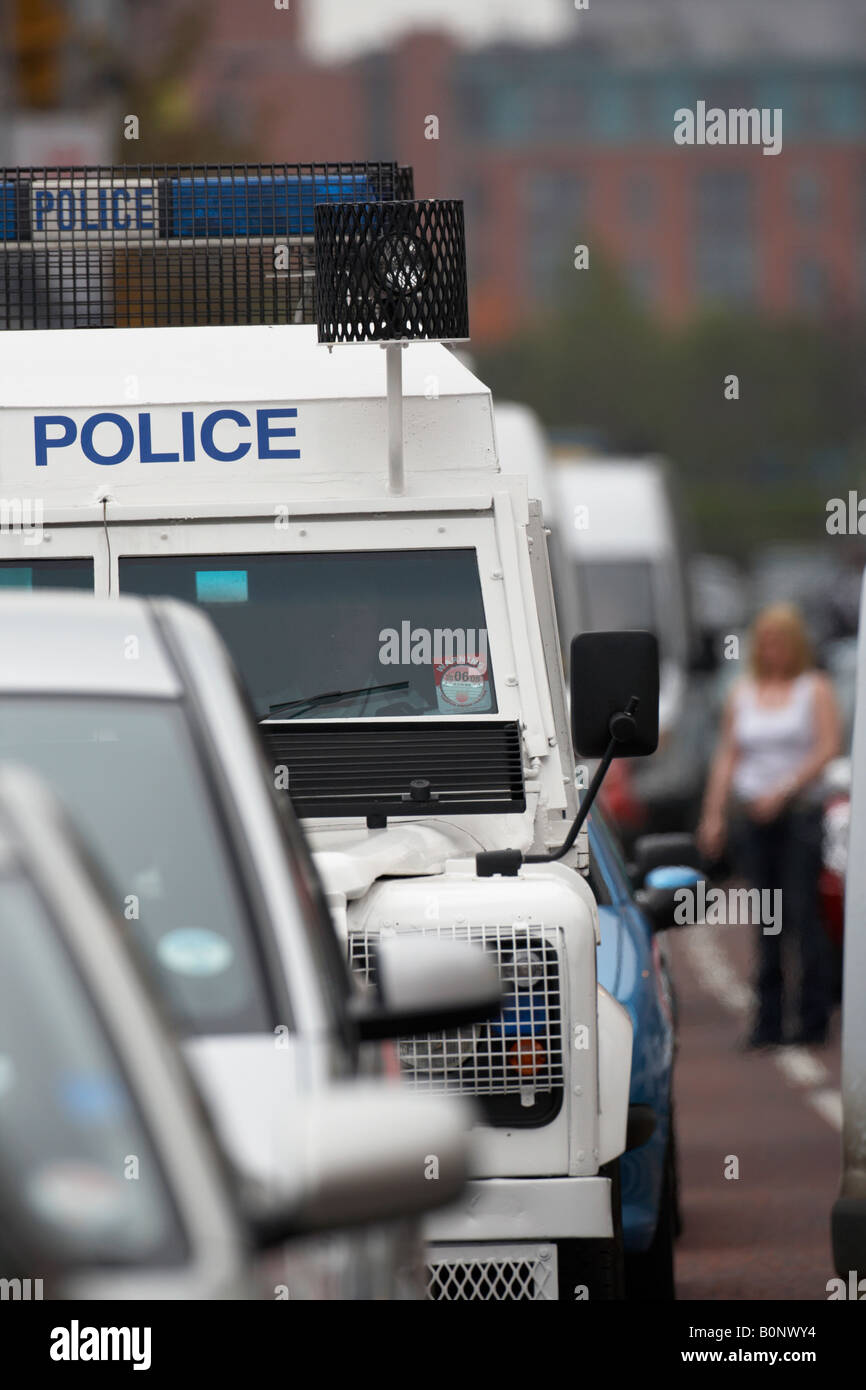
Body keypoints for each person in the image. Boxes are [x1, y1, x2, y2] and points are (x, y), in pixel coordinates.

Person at [697, 603, 842, 1048]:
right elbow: (728, 755)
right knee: (767, 916)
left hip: (797, 815)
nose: (773, 650)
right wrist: (714, 813)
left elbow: (827, 747)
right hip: (753, 820)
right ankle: (769, 1019)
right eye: (766, 642)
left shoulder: (812, 688)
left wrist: (784, 789)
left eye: (781, 641)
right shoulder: (743, 693)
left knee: (801, 913)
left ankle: (813, 1016)